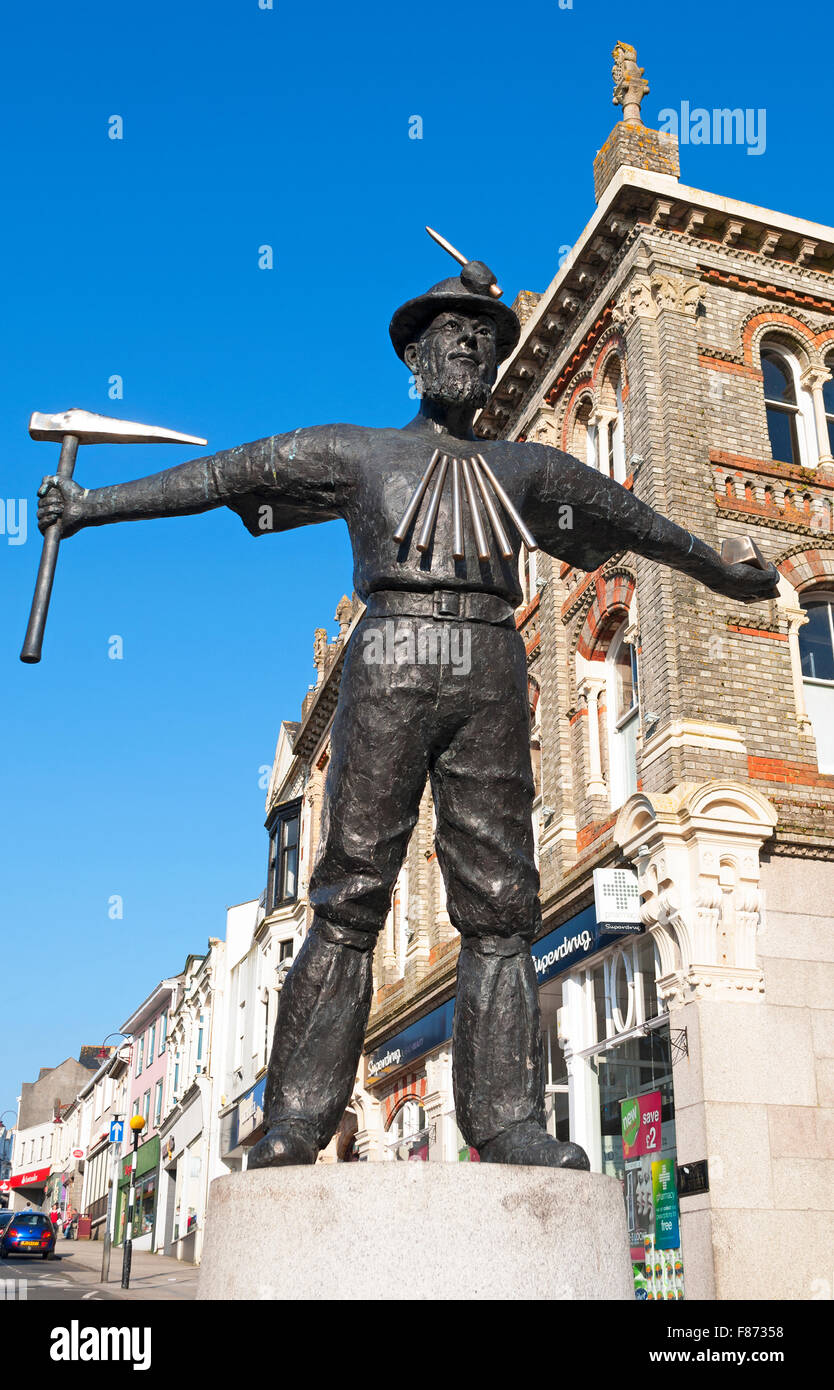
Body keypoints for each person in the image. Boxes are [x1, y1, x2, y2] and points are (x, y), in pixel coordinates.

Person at [36, 251, 778, 1170]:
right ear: (413, 359)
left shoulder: (528, 467)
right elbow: (222, 475)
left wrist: (725, 573)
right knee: (350, 890)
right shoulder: (357, 452)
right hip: (388, 650)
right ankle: (299, 1119)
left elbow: (640, 521)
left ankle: (504, 1118)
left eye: (485, 341)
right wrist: (91, 505)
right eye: (453, 338)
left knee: (503, 901)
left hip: (489, 656)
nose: (471, 351)